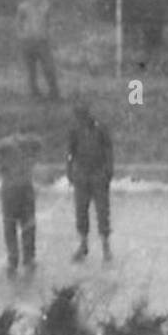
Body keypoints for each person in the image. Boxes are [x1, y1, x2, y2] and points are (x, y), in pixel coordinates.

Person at [0, 131, 43, 278]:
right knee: (23, 225)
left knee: (16, 225)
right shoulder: (27, 146)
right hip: (21, 189)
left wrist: (7, 144)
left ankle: (18, 258)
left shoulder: (11, 147)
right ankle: (24, 258)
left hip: (15, 189)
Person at [66, 103, 114, 263]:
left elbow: (108, 150)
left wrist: (108, 171)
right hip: (81, 175)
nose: (80, 120)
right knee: (81, 211)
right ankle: (83, 244)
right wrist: (70, 171)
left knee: (102, 212)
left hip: (98, 174)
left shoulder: (100, 129)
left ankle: (106, 246)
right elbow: (70, 152)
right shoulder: (74, 131)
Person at [16, 0, 60, 100]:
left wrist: (50, 35)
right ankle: (34, 93)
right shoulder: (23, 7)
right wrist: (21, 36)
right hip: (28, 42)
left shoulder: (46, 6)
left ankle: (54, 92)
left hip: (42, 41)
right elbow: (18, 23)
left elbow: (51, 21)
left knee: (48, 67)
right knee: (31, 70)